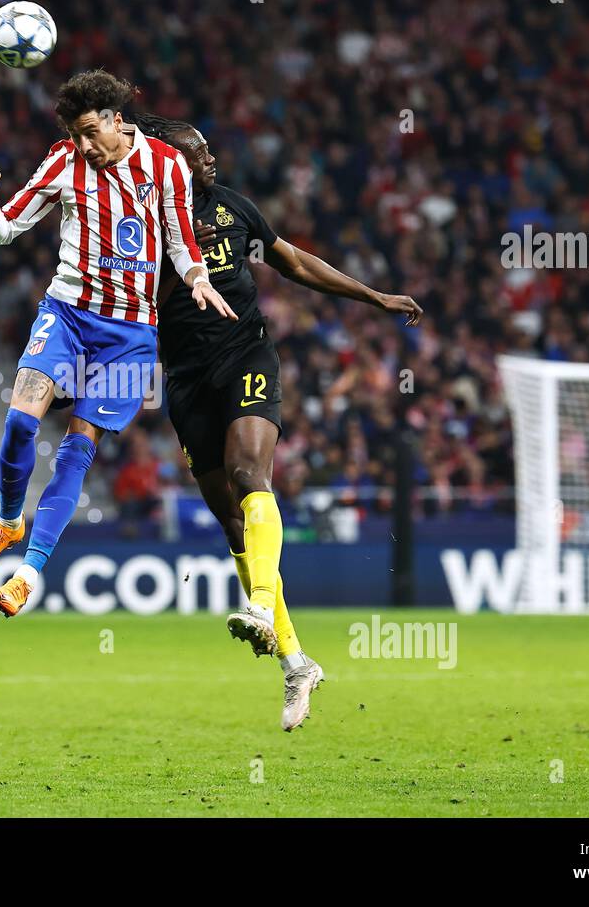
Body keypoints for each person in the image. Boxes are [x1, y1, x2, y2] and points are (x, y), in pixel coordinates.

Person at [135, 112, 423, 730]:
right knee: (233, 524)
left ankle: (261, 606)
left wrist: (373, 297)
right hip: (185, 380)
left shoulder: (233, 210)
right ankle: (296, 664)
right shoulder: (139, 226)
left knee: (248, 472)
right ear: (167, 164)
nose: (211, 161)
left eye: (210, 151)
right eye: (198, 154)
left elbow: (293, 263)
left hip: (245, 356)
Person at [0, 72, 236, 617]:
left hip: (132, 336)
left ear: (115, 119)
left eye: (90, 132)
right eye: (74, 134)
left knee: (78, 450)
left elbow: (180, 241)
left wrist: (199, 277)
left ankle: (28, 572)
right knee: (19, 421)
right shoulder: (64, 160)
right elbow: (4, 230)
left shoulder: (166, 165)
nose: (84, 145)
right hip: (67, 314)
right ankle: (9, 521)